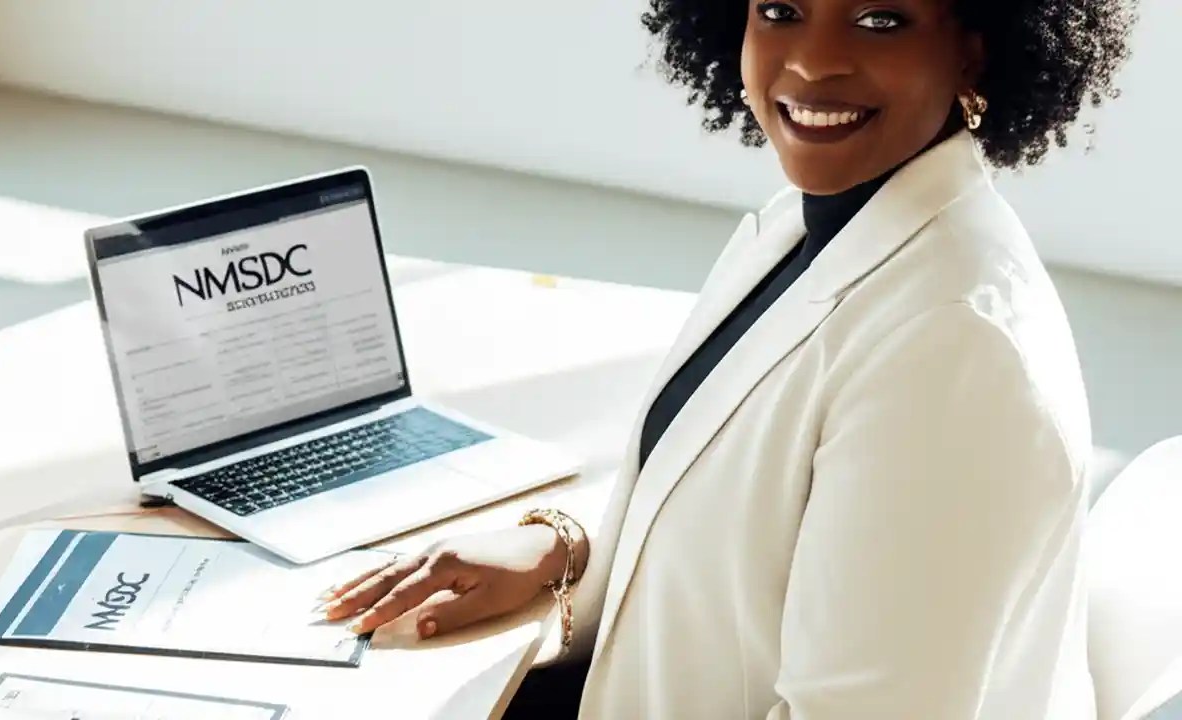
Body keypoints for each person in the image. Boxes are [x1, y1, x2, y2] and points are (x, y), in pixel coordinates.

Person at [320, 0, 1138, 716]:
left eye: (880, 20)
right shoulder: (808, 224)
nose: (813, 61)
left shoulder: (953, 349)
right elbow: (742, 516)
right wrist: (564, 549)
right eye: (779, 10)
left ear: (975, 48)